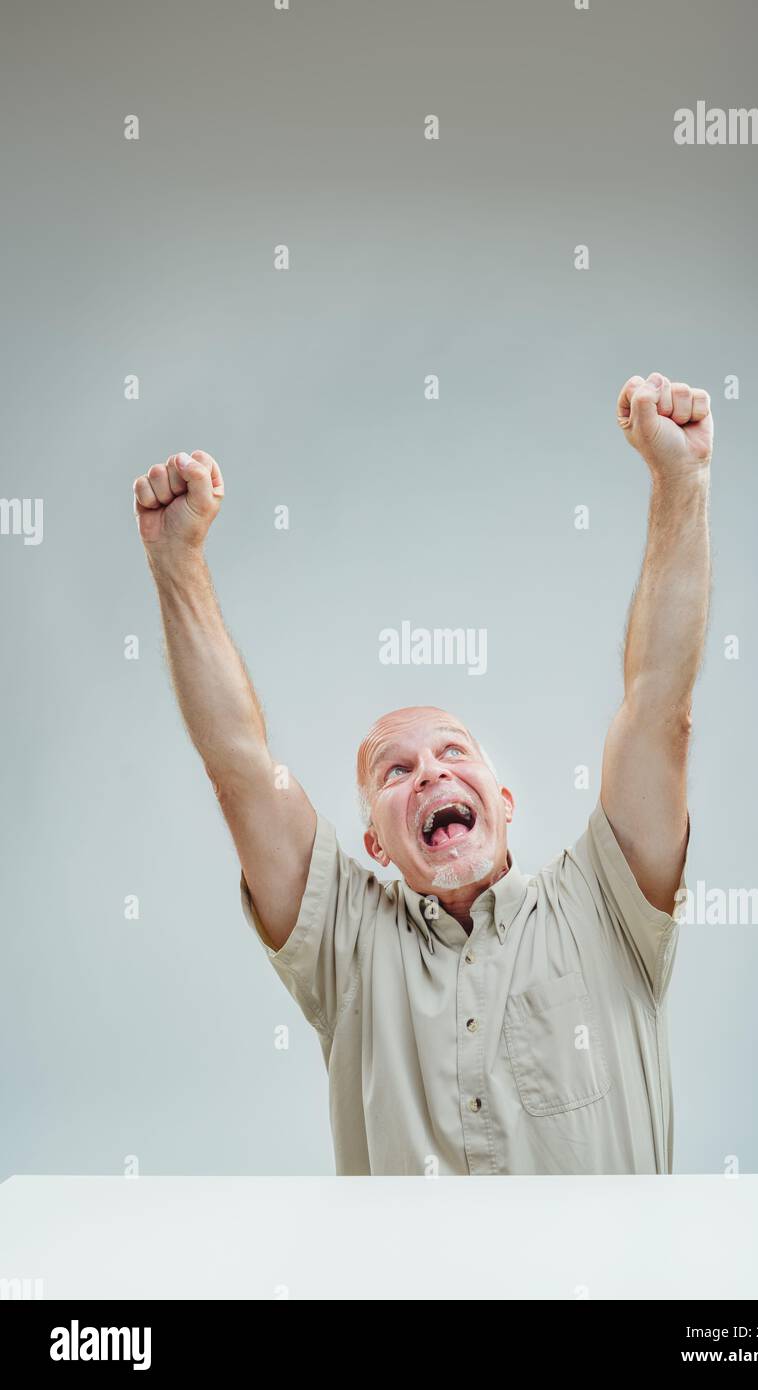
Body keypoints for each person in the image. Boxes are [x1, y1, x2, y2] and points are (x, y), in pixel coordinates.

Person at [133, 372, 713, 1175]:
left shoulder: (607, 904)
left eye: (452, 752)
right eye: (395, 770)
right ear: (375, 842)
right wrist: (176, 563)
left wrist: (678, 481)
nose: (430, 774)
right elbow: (238, 768)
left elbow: (659, 708)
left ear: (503, 803)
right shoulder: (347, 940)